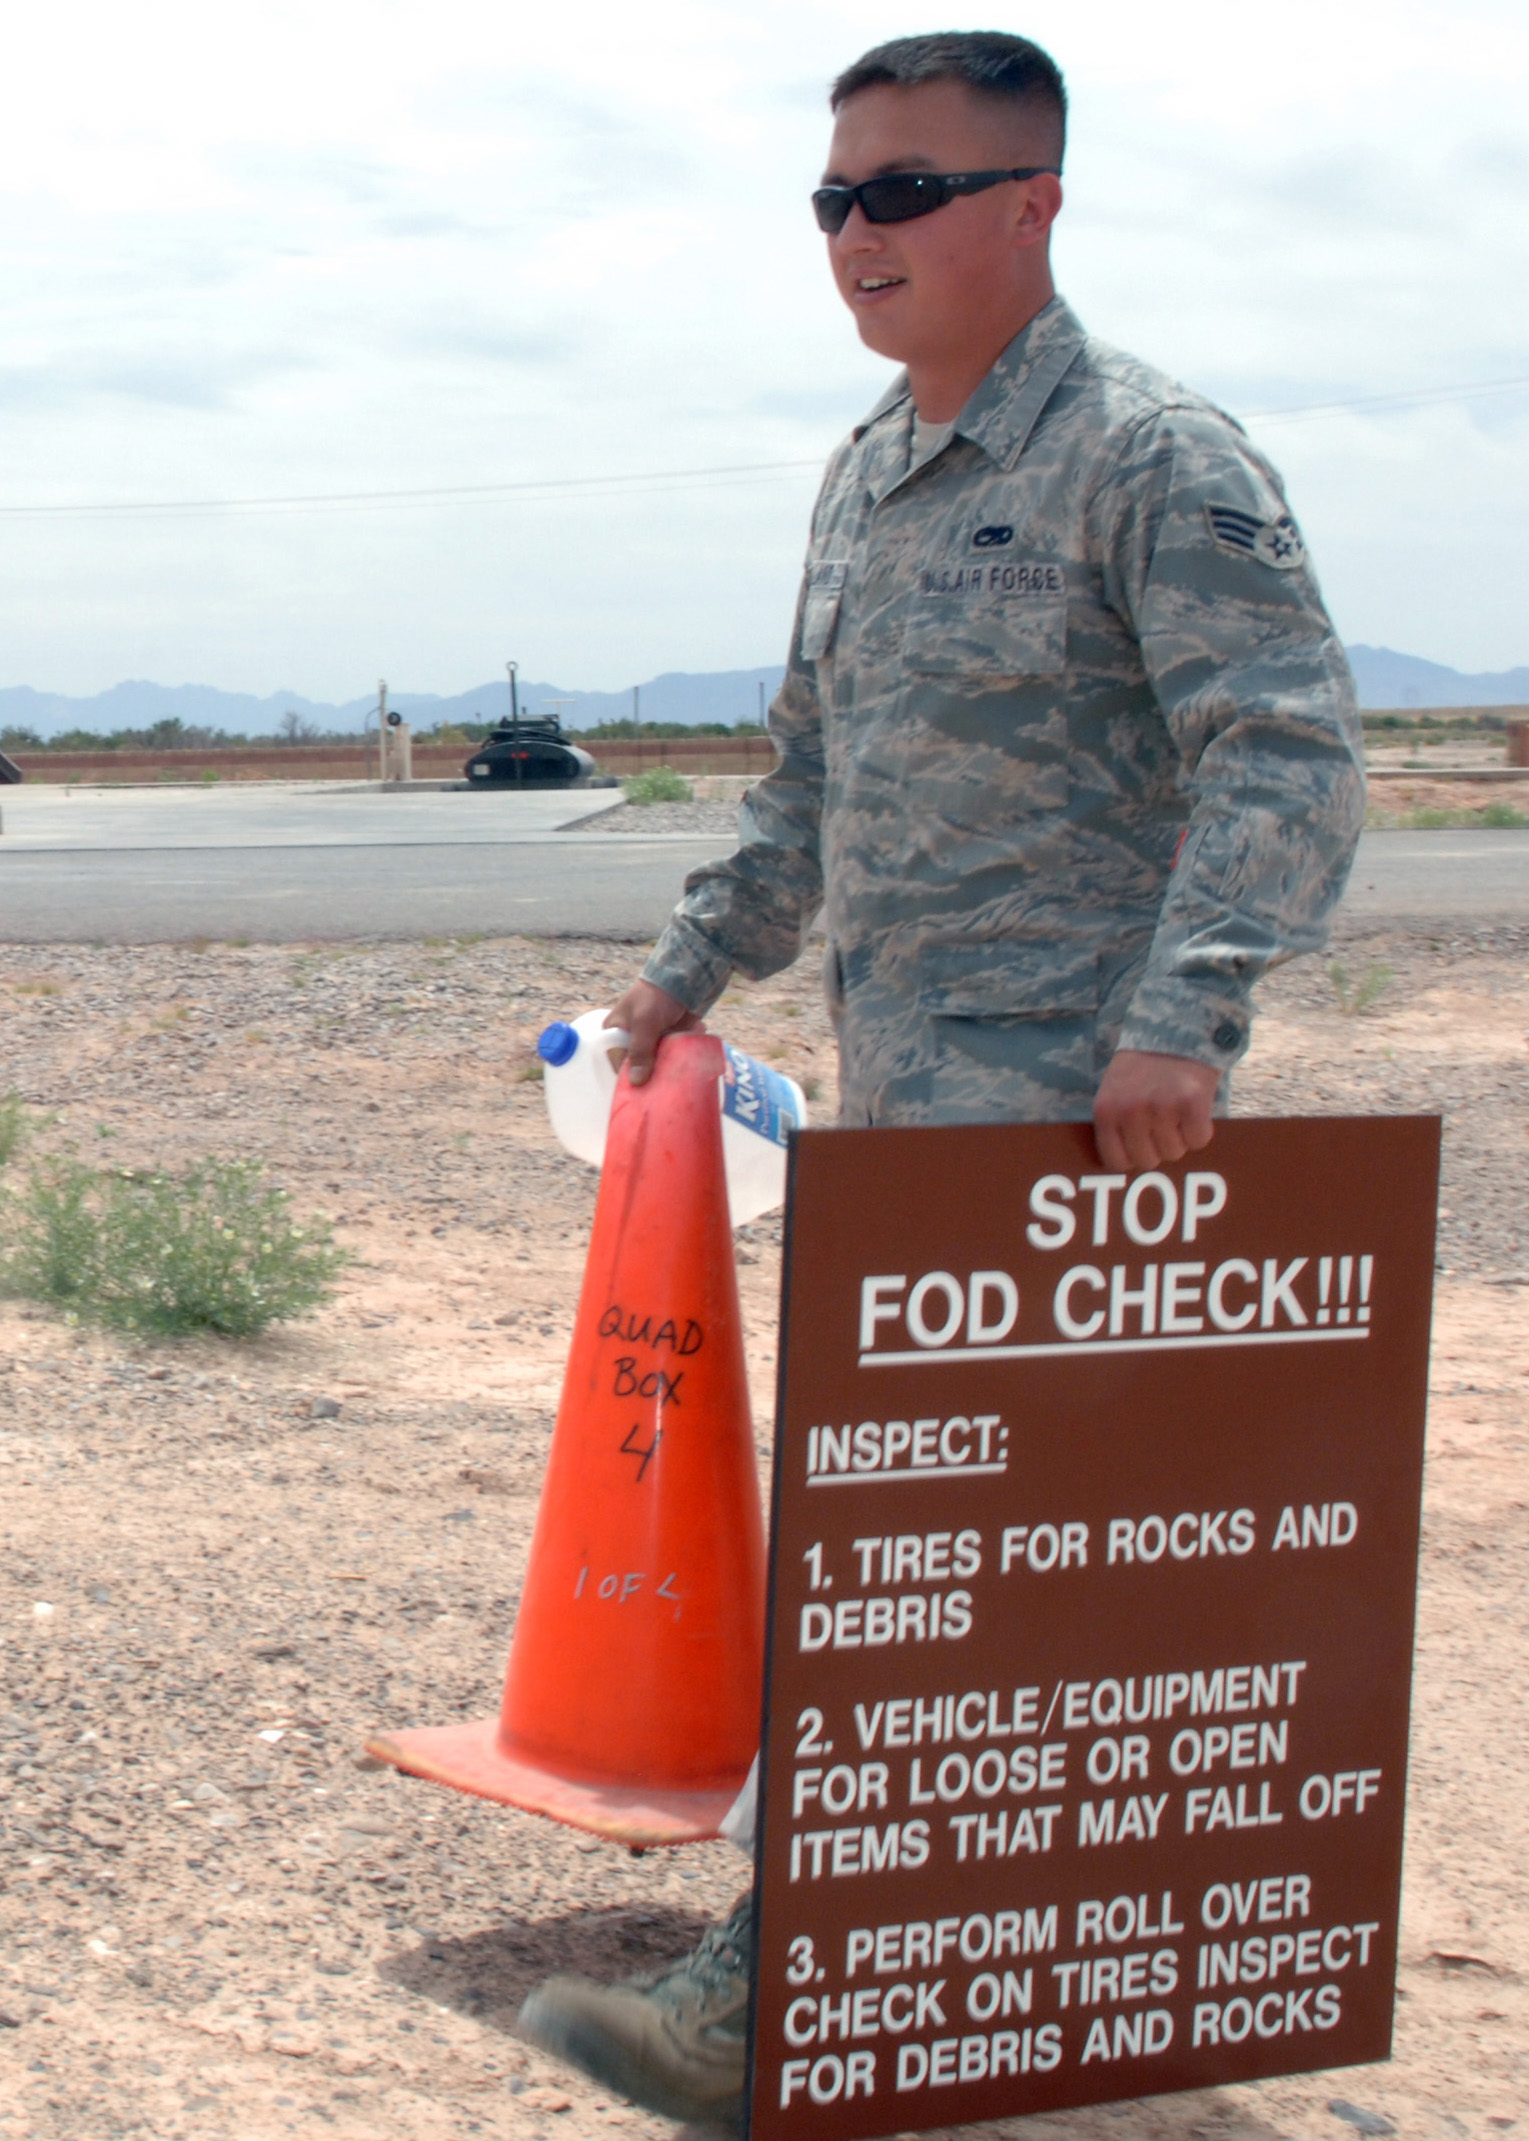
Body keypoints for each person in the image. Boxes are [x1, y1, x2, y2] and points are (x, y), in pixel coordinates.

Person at [518, 26, 1364, 2127]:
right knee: (989, 1571)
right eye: (833, 197)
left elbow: (1286, 749)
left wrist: (1193, 1009)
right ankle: (992, 1987)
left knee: (919, 1560)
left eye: (903, 191)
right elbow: (811, 775)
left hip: (1081, 1125)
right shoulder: (868, 475)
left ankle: (779, 1987)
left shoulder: (1156, 459)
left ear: (1030, 205)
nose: (857, 235)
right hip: (913, 1129)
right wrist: (690, 964)